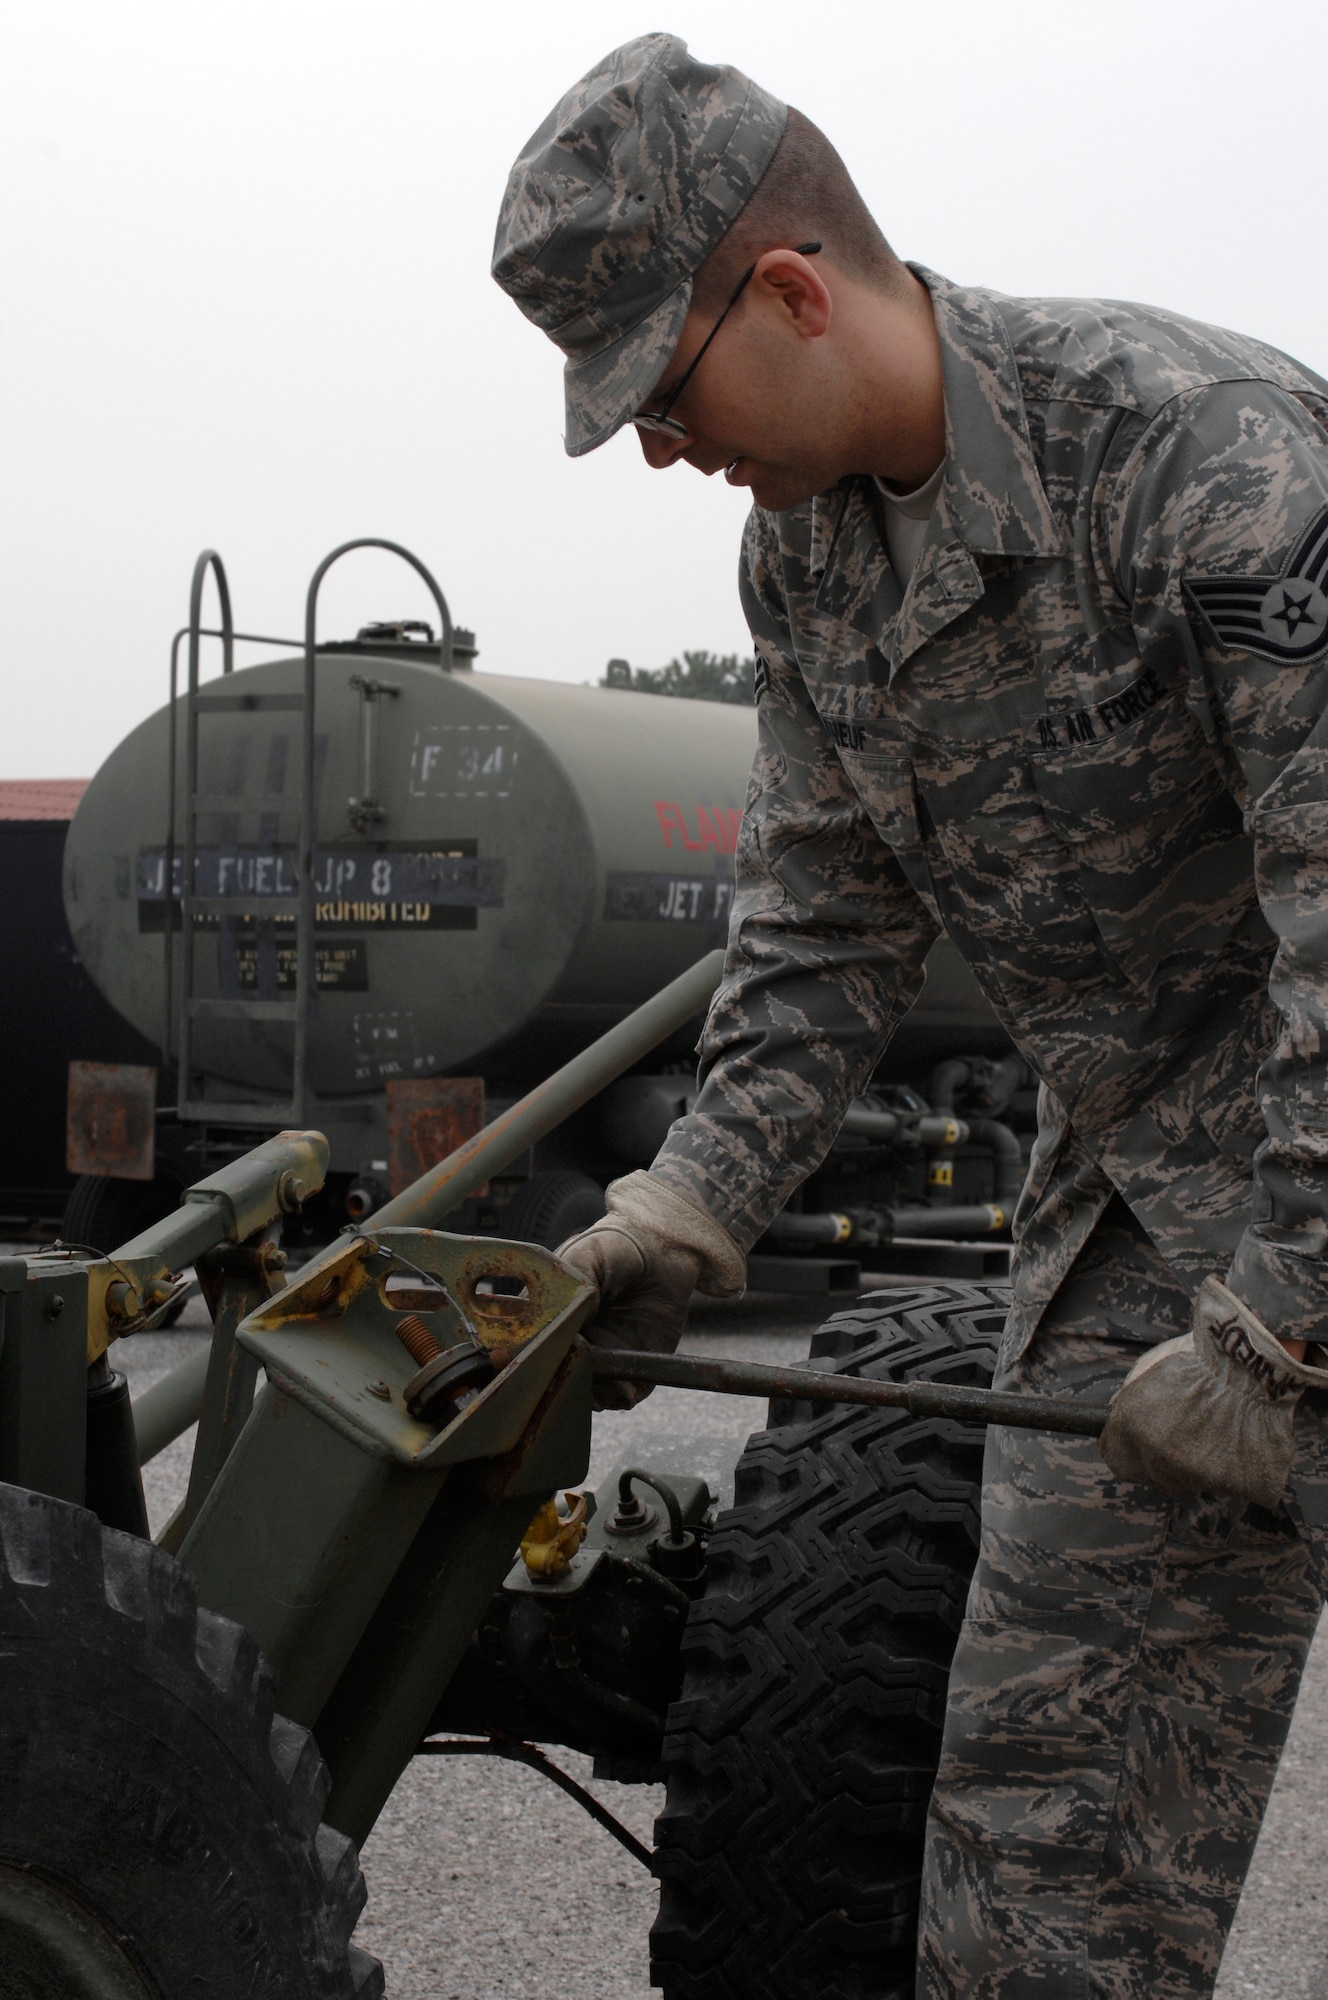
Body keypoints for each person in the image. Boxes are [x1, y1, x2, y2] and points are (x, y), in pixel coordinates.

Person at [493, 32, 1328, 1999]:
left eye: (661, 388)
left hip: (1296, 1223)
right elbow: (824, 919)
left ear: (788, 290)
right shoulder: (802, 568)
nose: (654, 446)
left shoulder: (1213, 463)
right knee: (1038, 1842)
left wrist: (1289, 1322)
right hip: (1149, 1203)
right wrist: (687, 1201)